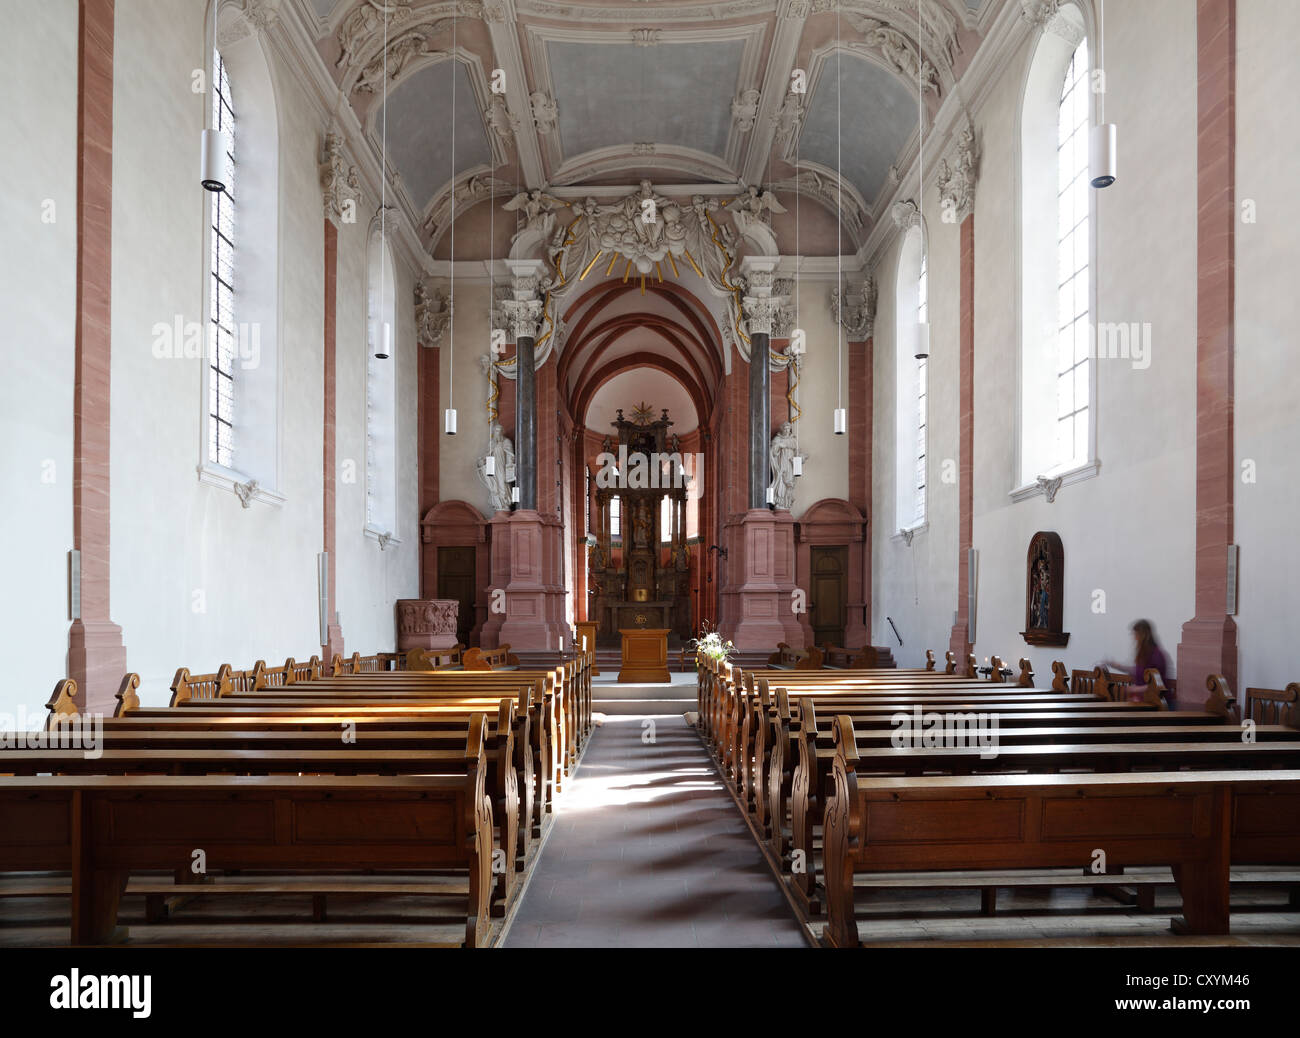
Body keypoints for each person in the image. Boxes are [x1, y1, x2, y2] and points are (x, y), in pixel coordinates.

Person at [1104, 619, 1173, 707]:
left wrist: (1135, 689)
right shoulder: (1144, 653)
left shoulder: (1157, 655)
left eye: (1136, 634)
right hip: (1145, 701)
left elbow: (1158, 685)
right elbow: (1139, 671)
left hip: (1157, 703)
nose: (1134, 637)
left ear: (1142, 635)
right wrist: (1117, 666)